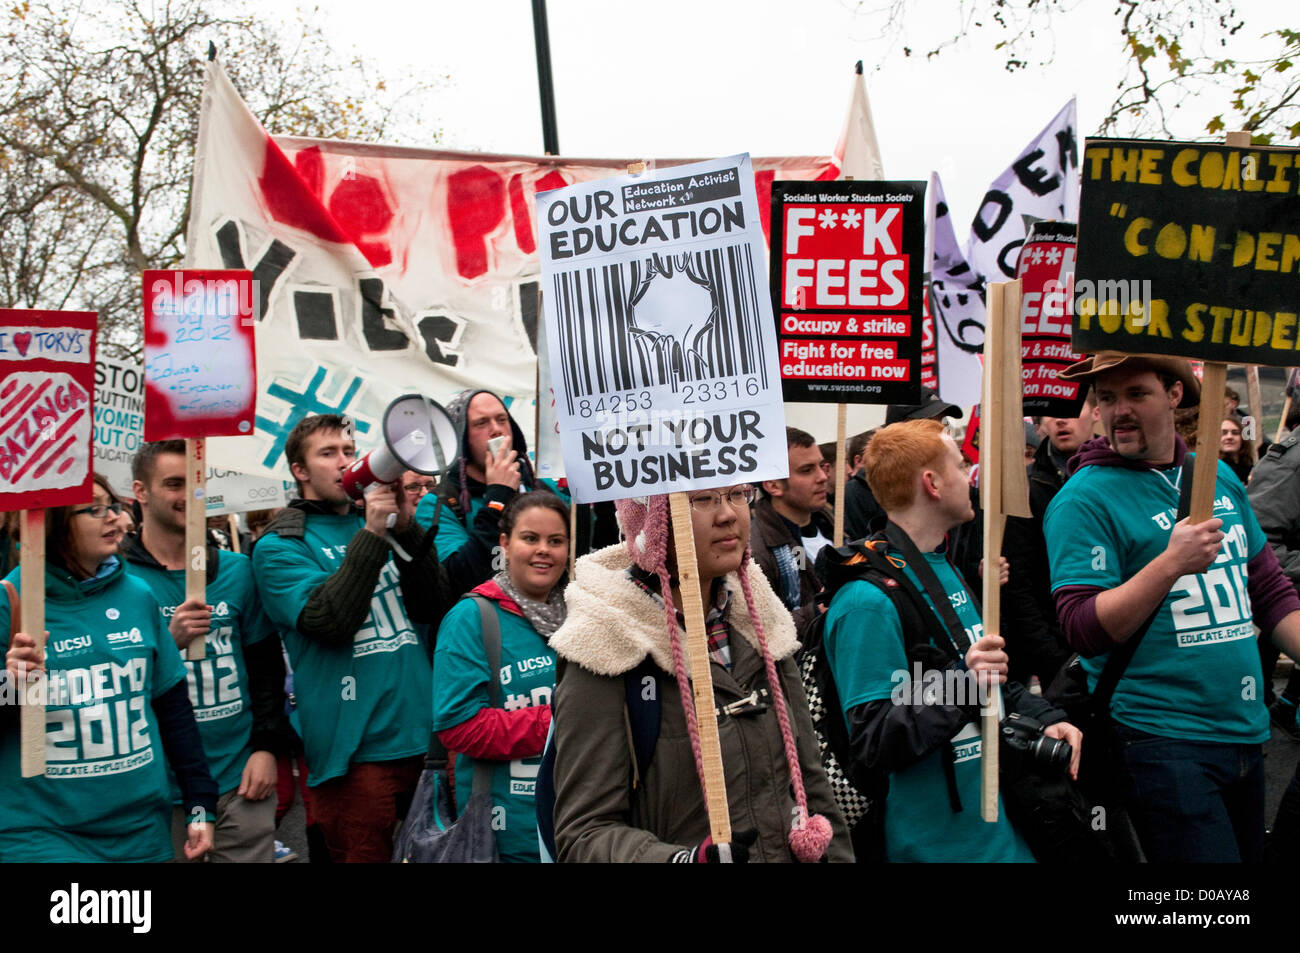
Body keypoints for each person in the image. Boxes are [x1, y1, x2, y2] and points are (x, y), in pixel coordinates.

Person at [1046, 352, 1300, 862]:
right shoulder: (1083, 500)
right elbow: (1081, 627)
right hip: (1160, 742)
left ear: (1174, 395)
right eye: (1107, 398)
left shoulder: (1216, 477)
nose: (1118, 410)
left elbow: (1269, 591)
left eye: (1135, 394)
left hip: (1246, 732)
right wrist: (1169, 563)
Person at [549, 485, 852, 863]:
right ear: (651, 523)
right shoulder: (606, 646)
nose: (728, 514)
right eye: (703, 499)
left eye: (738, 495)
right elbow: (583, 835)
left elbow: (813, 787)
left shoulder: (764, 626)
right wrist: (684, 860)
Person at [823, 419, 1080, 862]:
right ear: (933, 484)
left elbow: (991, 681)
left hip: (1005, 834)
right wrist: (963, 681)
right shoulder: (865, 601)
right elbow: (872, 742)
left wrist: (1044, 716)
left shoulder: (945, 566)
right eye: (961, 465)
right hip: (935, 847)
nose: (970, 475)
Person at [253, 413, 448, 862]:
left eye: (347, 450)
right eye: (327, 454)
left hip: (423, 736)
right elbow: (328, 620)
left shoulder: (380, 520)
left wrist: (405, 527)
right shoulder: (280, 545)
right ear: (299, 471)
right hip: (353, 752)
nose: (343, 462)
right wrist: (373, 532)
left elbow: (434, 605)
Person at [0, 474, 216, 862]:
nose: (116, 519)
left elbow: (173, 710)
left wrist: (201, 804)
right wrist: (10, 685)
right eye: (94, 510)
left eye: (113, 506)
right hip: (41, 833)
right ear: (49, 523)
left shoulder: (138, 594)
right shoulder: (9, 602)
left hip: (141, 831)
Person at [122, 440, 288, 863]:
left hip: (239, 780)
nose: (187, 496)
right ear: (140, 491)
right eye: (174, 484)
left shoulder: (237, 571)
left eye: (195, 482)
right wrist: (167, 642)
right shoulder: (118, 579)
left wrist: (267, 748)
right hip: (160, 787)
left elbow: (266, 669)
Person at [432, 491, 568, 862]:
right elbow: (457, 726)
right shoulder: (470, 618)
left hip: (575, 827)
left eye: (556, 541)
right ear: (505, 544)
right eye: (530, 539)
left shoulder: (583, 614)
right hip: (505, 838)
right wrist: (559, 723)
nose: (544, 550)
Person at [415, 389, 565, 598]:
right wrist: (497, 497)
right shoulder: (438, 504)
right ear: (461, 439)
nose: (496, 430)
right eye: (481, 423)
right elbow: (459, 578)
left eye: (502, 420)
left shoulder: (543, 487)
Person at [1001, 394, 1099, 689]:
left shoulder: (1120, 477)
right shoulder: (1026, 488)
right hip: (1059, 652)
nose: (1060, 418)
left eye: (1071, 408)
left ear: (1096, 411)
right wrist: (1053, 661)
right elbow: (1019, 585)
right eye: (1052, 411)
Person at [845, 388, 963, 541]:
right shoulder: (858, 492)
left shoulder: (952, 488)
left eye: (943, 425)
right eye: (930, 428)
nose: (942, 435)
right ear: (899, 433)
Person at [750, 427, 832, 629]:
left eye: (822, 466)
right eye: (807, 470)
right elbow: (762, 631)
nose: (822, 477)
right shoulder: (757, 553)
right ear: (773, 485)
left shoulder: (834, 524)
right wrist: (814, 613)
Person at [1219, 413, 1254, 484]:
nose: (1229, 437)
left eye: (1235, 433)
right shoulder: (1215, 470)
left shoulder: (1251, 470)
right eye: (1224, 433)